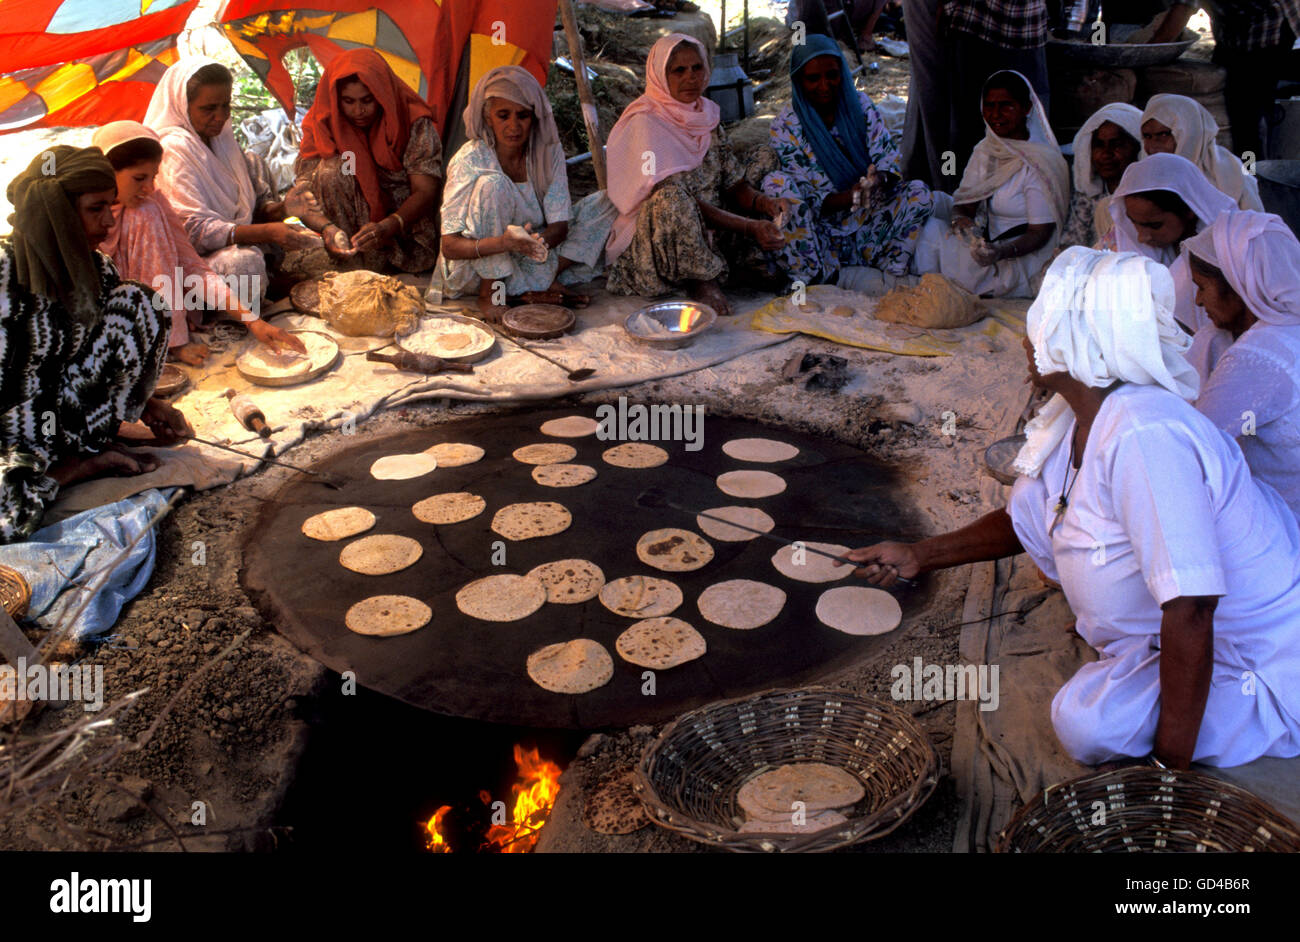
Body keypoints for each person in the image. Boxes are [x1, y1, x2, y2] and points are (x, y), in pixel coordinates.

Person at [845, 247, 1300, 769]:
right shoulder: (1079, 414)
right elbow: (1028, 518)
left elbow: (1193, 607)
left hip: (1252, 662)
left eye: (1040, 318)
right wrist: (919, 555)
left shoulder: (1146, 435)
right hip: (1185, 638)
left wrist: (1167, 776)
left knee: (1089, 723)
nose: (1024, 336)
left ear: (1079, 335)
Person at [0, 146, 193, 543]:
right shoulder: (3, 271)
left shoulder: (96, 267)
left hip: (61, 415)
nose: (108, 223)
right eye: (96, 209)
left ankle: (84, 447)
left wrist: (147, 404)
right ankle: (74, 467)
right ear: (58, 212)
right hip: (8, 426)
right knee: (7, 504)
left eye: (112, 207)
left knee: (141, 302)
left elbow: (96, 356)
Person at [91, 121, 305, 365]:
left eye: (153, 177)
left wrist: (252, 321)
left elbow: (192, 268)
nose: (149, 188)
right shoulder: (82, 206)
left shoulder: (152, 204)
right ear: (107, 171)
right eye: (139, 178)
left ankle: (166, 337)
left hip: (147, 312)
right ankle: (154, 341)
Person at [604, 34, 784, 317]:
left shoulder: (706, 116)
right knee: (673, 199)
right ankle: (701, 280)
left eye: (697, 68)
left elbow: (733, 182)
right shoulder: (645, 122)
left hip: (714, 226)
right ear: (660, 75)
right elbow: (682, 203)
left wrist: (763, 203)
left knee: (764, 155)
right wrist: (750, 226)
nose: (690, 77)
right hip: (665, 238)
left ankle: (745, 259)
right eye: (678, 70)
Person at [432, 65, 616, 322]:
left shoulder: (547, 153)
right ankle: (493, 292)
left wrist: (531, 244)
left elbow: (559, 226)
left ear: (535, 117)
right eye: (503, 115)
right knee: (492, 185)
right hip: (478, 260)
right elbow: (450, 246)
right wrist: (503, 244)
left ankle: (534, 283)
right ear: (488, 117)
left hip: (532, 251)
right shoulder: (471, 159)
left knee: (608, 202)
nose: (513, 126)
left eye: (523, 115)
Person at [145, 57, 319, 314]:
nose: (221, 117)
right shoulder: (173, 149)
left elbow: (249, 212)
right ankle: (223, 311)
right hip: (190, 266)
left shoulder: (221, 142)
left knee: (254, 161)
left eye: (226, 105)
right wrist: (268, 232)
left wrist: (284, 209)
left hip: (228, 243)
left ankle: (267, 279)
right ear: (182, 105)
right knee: (242, 264)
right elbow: (194, 231)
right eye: (209, 108)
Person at [761, 34, 933, 285]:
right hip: (820, 234)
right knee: (775, 183)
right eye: (813, 78)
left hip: (869, 221)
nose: (824, 85)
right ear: (798, 81)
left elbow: (887, 155)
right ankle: (813, 273)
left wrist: (878, 180)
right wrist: (850, 198)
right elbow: (806, 198)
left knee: (920, 193)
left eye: (832, 75)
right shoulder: (785, 126)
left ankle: (886, 261)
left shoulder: (861, 106)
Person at [1182, 210, 1300, 521]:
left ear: (1238, 284)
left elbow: (1195, 448)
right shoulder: (1289, 328)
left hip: (1286, 531)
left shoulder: (1258, 355)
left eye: (1202, 287)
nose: (1196, 301)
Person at [912, 70, 1069, 298]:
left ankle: (943, 291)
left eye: (1006, 105)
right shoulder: (986, 149)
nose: (996, 114)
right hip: (989, 245)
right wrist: (961, 221)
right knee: (930, 221)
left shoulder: (1039, 162)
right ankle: (929, 289)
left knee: (961, 265)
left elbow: (1040, 233)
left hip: (1024, 256)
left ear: (1026, 109)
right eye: (989, 105)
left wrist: (1000, 252)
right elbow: (966, 203)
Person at [293, 48, 444, 274]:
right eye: (348, 101)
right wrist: (327, 229)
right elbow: (303, 191)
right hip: (348, 230)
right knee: (331, 171)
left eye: (367, 100)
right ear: (335, 99)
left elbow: (425, 191)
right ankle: (349, 258)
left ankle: (380, 259)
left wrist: (388, 226)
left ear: (382, 94)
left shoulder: (412, 121)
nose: (358, 111)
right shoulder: (323, 122)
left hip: (400, 231)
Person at [1144, 2, 1296, 160]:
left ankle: (1250, 174)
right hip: (1233, 26)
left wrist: (1145, 53)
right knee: (1232, 94)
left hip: (1268, 27)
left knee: (1246, 117)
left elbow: (1177, 18)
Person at [1109, 152, 1235, 331]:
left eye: (1154, 225)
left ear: (1189, 210)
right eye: (1133, 223)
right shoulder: (1121, 237)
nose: (1141, 237)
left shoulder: (1229, 248)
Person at [941, 0, 1052, 175]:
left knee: (1022, 125)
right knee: (966, 121)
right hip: (975, 21)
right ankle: (960, 187)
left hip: (1019, 25)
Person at [1140, 94, 1264, 211]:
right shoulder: (1142, 177)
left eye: (1164, 134)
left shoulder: (1233, 173)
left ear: (1189, 133)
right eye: (1147, 136)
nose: (1152, 146)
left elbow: (1256, 224)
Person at [1060, 103, 1142, 249]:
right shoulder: (1088, 197)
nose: (1106, 154)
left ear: (1137, 148)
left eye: (1116, 144)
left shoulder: (1147, 198)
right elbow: (1071, 246)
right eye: (1099, 145)